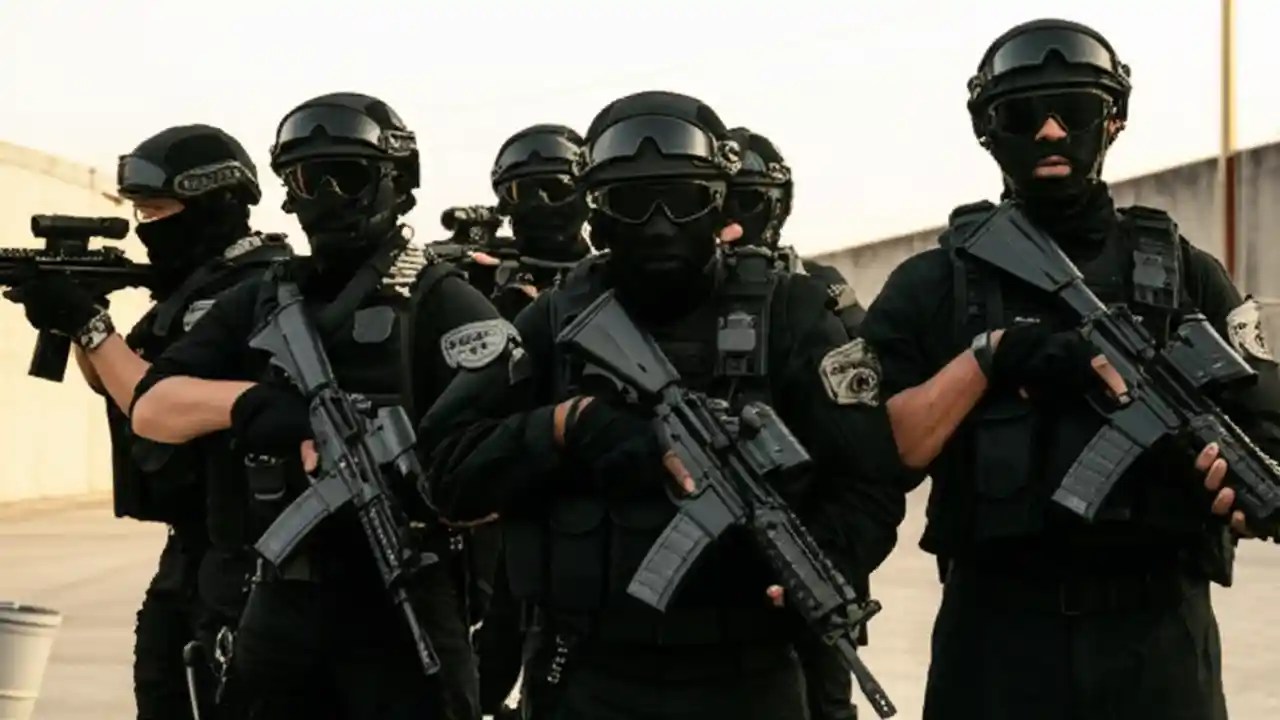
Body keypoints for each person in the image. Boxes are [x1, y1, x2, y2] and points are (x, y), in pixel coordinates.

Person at [419, 90, 907, 720]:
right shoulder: (554, 322)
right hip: (586, 675)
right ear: (596, 215)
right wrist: (569, 426)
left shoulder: (789, 313)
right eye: (629, 201)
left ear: (720, 205)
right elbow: (448, 471)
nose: (657, 224)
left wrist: (818, 564)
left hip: (748, 674)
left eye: (682, 199)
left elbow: (870, 481)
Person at [858, 19, 1280, 720]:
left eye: (1075, 111)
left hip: (1156, 637)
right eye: (1024, 115)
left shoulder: (1185, 276)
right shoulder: (935, 285)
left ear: (1112, 121)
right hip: (995, 640)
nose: (1051, 133)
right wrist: (989, 359)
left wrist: (1238, 474)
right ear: (987, 130)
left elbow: (1267, 417)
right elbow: (881, 452)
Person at [130, 92, 499, 719]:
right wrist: (266, 409)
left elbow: (502, 458)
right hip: (280, 599)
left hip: (405, 596)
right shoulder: (261, 299)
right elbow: (153, 409)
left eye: (348, 174)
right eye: (306, 177)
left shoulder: (442, 302)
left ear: (396, 182)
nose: (327, 193)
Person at [4, 124, 291, 720]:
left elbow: (155, 403)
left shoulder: (256, 289)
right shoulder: (193, 289)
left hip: (244, 548)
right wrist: (77, 320)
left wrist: (87, 322)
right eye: (139, 211)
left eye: (159, 211)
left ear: (216, 202)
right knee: (161, 688)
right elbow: (116, 379)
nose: (146, 226)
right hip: (192, 543)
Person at [466, 123, 594, 719]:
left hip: (591, 498)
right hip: (506, 501)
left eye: (552, 189)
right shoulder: (483, 283)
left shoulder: (614, 277)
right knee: (489, 657)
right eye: (520, 194)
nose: (538, 208)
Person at [725, 127, 865, 334]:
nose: (731, 217)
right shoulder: (686, 284)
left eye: (745, 201)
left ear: (779, 206)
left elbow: (872, 351)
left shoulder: (820, 283)